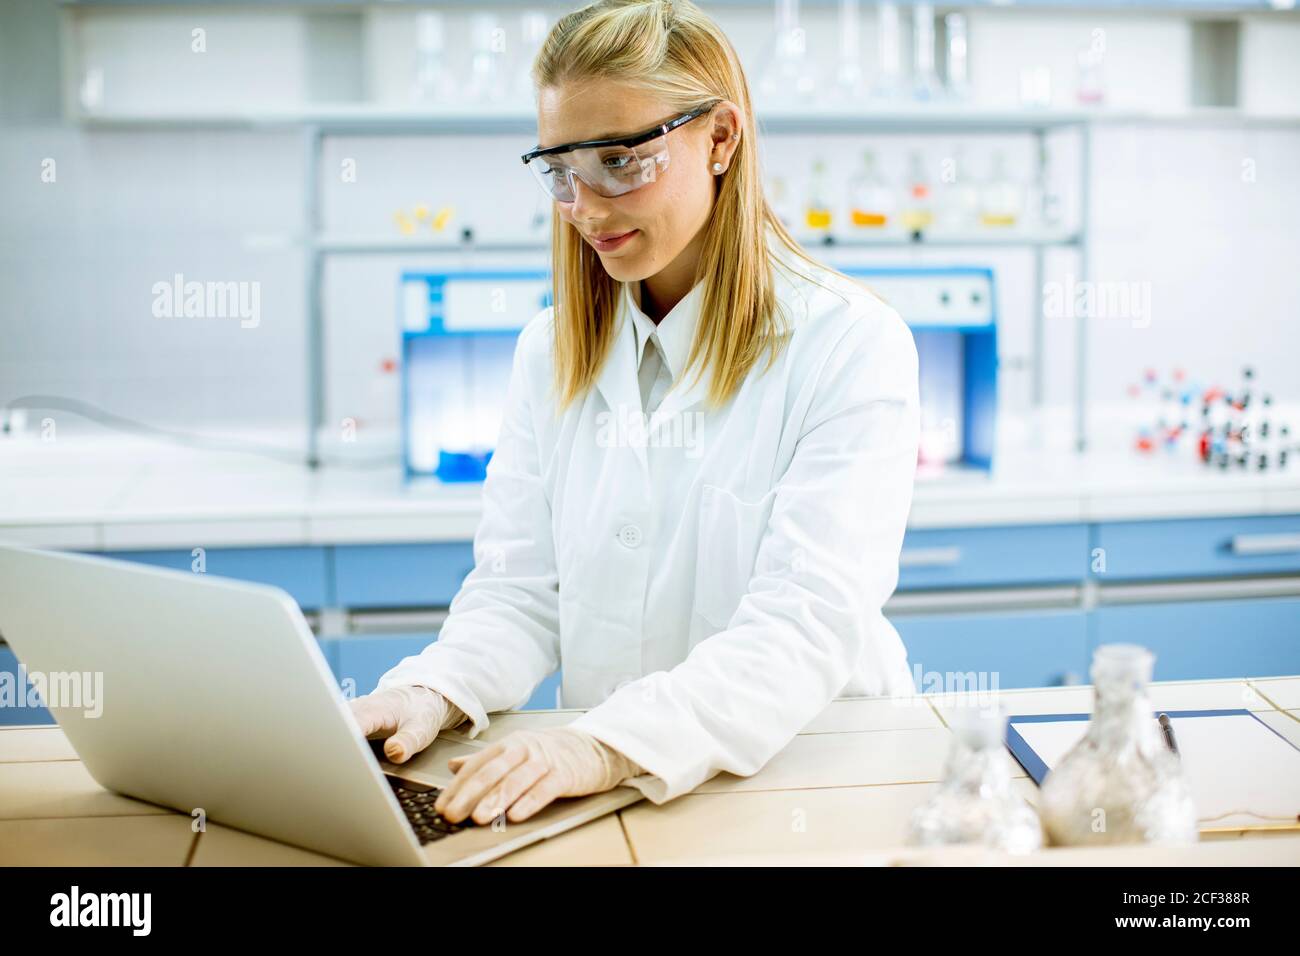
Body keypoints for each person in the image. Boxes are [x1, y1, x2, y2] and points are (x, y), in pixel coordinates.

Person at [349, 0, 920, 827]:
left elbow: (802, 628)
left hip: (804, 784)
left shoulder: (851, 345)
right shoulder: (550, 352)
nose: (586, 206)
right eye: (561, 170)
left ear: (720, 139)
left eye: (620, 160)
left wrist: (597, 746)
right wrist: (431, 690)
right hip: (620, 796)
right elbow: (518, 593)